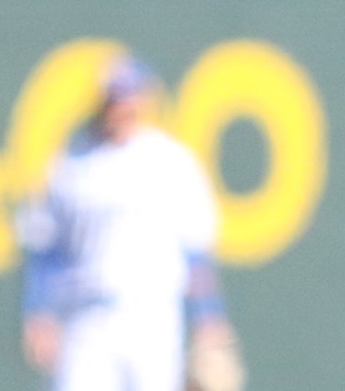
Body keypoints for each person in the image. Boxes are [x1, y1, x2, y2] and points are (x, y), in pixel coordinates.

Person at [16, 56, 235, 391]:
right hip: (84, 318)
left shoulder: (170, 161)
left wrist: (209, 316)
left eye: (130, 97)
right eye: (116, 98)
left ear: (144, 100)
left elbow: (195, 251)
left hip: (151, 315)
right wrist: (38, 311)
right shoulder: (70, 164)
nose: (123, 106)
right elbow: (46, 247)